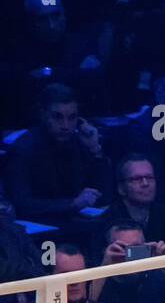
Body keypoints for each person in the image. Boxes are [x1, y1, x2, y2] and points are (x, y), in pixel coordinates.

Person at [5, 83, 112, 229]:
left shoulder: (79, 142)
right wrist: (72, 204)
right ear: (43, 115)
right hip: (39, 230)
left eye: (72, 118)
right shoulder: (23, 149)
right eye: (58, 117)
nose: (66, 125)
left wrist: (95, 149)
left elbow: (104, 195)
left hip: (75, 225)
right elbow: (22, 204)